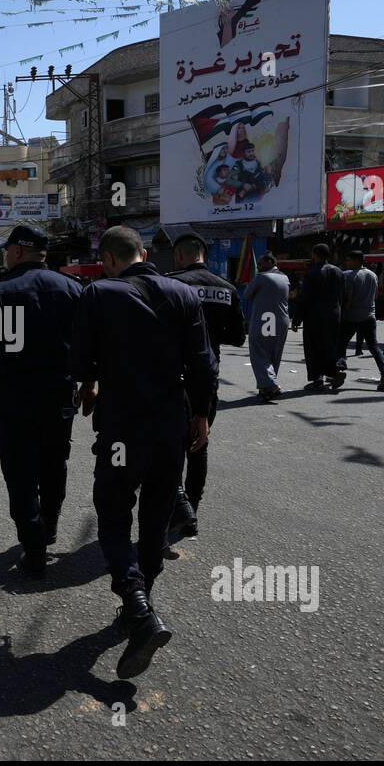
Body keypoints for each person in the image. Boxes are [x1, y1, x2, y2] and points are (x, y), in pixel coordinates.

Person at [70, 226, 217, 680]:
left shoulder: (98, 294)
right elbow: (203, 362)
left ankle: (137, 607)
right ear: (144, 253)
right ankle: (142, 604)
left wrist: (90, 384)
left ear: (109, 259)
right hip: (171, 424)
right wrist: (202, 416)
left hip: (121, 428)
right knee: (154, 519)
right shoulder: (182, 293)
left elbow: (79, 360)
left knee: (113, 514)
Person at [0, 224, 82, 579]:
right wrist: (90, 382)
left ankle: (34, 547)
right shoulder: (72, 288)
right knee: (55, 460)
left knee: (20, 471)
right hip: (61, 395)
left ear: (14, 252)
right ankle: (51, 526)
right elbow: (89, 340)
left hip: (16, 397)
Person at [164, 229, 245, 541]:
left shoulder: (170, 284)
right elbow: (238, 336)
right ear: (204, 257)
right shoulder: (226, 288)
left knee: (170, 448)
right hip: (208, 380)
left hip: (174, 379)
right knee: (199, 446)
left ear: (180, 256)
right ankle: (192, 514)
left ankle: (178, 507)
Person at [293, 244, 345, 391]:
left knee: (313, 348)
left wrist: (297, 319)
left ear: (315, 255)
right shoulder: (339, 272)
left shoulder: (313, 272)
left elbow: (304, 298)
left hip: (315, 316)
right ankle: (335, 372)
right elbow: (344, 295)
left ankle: (318, 379)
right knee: (330, 346)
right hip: (335, 314)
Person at [338, 250, 384, 391]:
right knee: (374, 347)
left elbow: (348, 298)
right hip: (369, 316)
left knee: (341, 343)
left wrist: (343, 313)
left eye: (349, 260)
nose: (347, 263)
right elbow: (375, 295)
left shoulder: (349, 275)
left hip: (351, 316)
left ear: (356, 261)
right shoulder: (373, 275)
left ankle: (340, 370)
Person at [244, 252, 290, 401]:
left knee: (259, 351)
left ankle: (271, 384)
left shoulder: (262, 277)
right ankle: (266, 388)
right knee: (273, 354)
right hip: (282, 320)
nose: (258, 266)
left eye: (261, 263)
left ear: (269, 262)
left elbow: (247, 295)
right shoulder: (285, 277)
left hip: (266, 320)